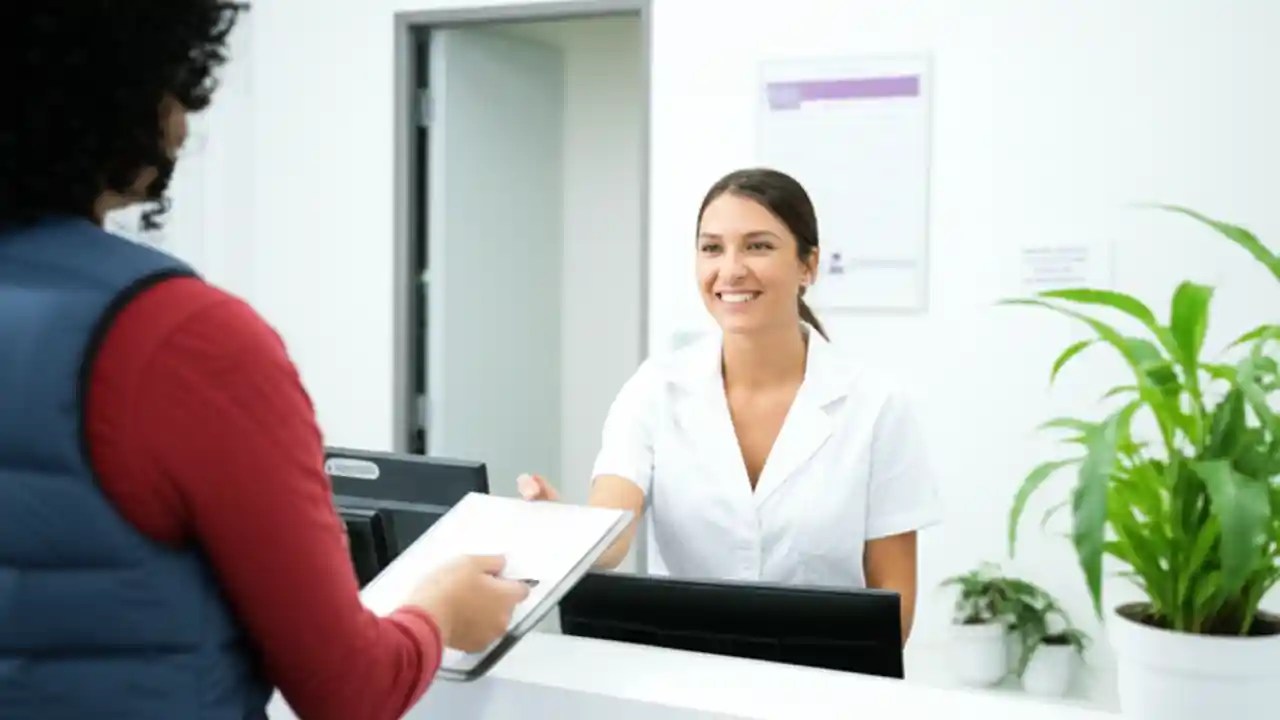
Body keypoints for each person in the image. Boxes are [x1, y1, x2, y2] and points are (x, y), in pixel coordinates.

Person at [0, 3, 528, 719]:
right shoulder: (183, 338)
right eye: (181, 86)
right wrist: (437, 610)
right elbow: (349, 690)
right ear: (116, 91)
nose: (186, 117)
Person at [519, 167, 942, 643]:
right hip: (684, 678)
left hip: (823, 689)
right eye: (712, 248)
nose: (731, 269)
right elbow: (612, 534)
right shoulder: (655, 390)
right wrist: (568, 532)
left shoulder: (876, 405)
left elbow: (895, 601)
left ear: (808, 265)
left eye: (758, 245)